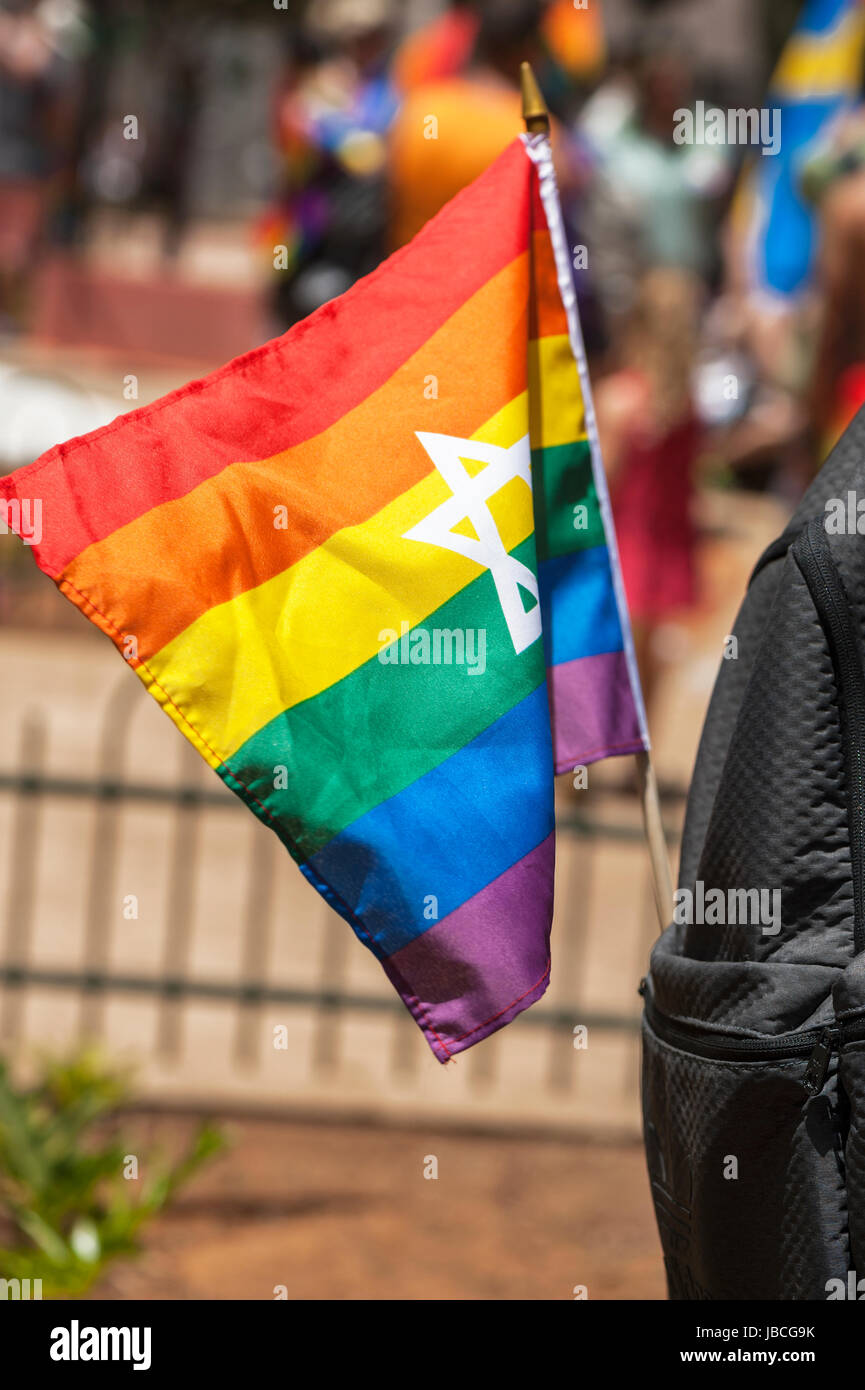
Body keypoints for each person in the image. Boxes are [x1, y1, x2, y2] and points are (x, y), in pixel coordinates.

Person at [594, 269, 703, 717]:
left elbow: (603, 482)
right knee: (648, 656)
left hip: (622, 544)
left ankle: (590, 765)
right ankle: (639, 753)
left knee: (604, 655)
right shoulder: (688, 405)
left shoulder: (619, 398)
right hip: (668, 543)